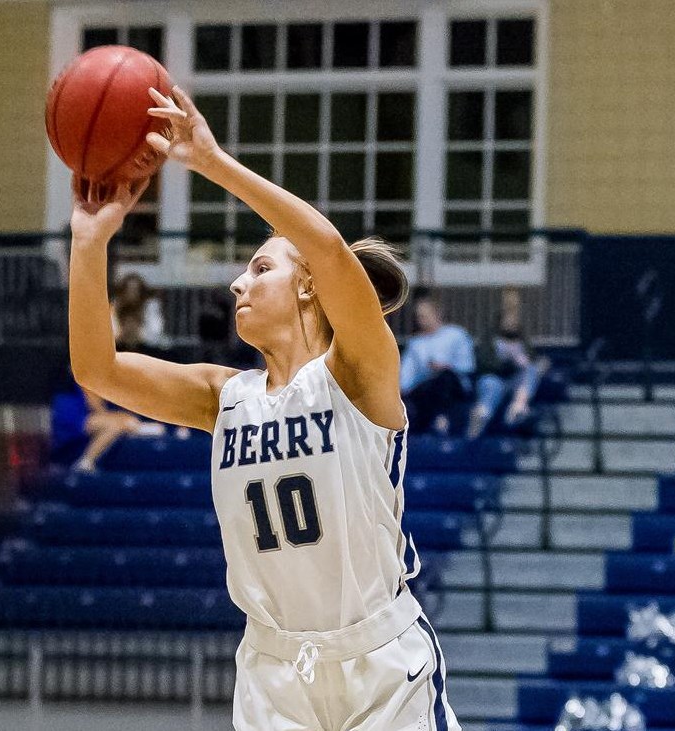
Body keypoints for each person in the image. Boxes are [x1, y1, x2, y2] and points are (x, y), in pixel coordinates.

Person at [66, 85, 459, 731]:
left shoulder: (359, 372)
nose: (237, 282)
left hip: (380, 661)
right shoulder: (225, 397)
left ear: (307, 285)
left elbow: (330, 249)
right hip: (273, 670)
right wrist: (89, 243)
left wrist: (212, 162)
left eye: (259, 267)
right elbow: (96, 367)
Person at [470, 287, 547, 438]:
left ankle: (518, 407)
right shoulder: (490, 338)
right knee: (492, 386)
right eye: (508, 318)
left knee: (531, 370)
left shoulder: (522, 338)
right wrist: (508, 362)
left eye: (514, 318)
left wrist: (531, 362)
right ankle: (481, 414)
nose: (511, 321)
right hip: (494, 377)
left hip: (515, 381)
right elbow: (483, 363)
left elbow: (531, 359)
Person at [399, 293, 475, 434]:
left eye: (424, 316)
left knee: (444, 378)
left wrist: (445, 367)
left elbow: (467, 366)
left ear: (437, 314)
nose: (421, 320)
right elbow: (406, 375)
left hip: (454, 384)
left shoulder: (456, 335)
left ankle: (442, 419)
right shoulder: (415, 344)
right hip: (427, 386)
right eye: (419, 317)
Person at [111, 272, 170, 351]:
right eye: (128, 290)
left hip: (147, 348)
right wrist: (121, 334)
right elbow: (111, 330)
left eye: (135, 290)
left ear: (141, 291)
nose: (132, 294)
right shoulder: (115, 306)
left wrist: (140, 334)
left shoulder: (150, 306)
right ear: (123, 291)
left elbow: (156, 331)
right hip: (119, 347)